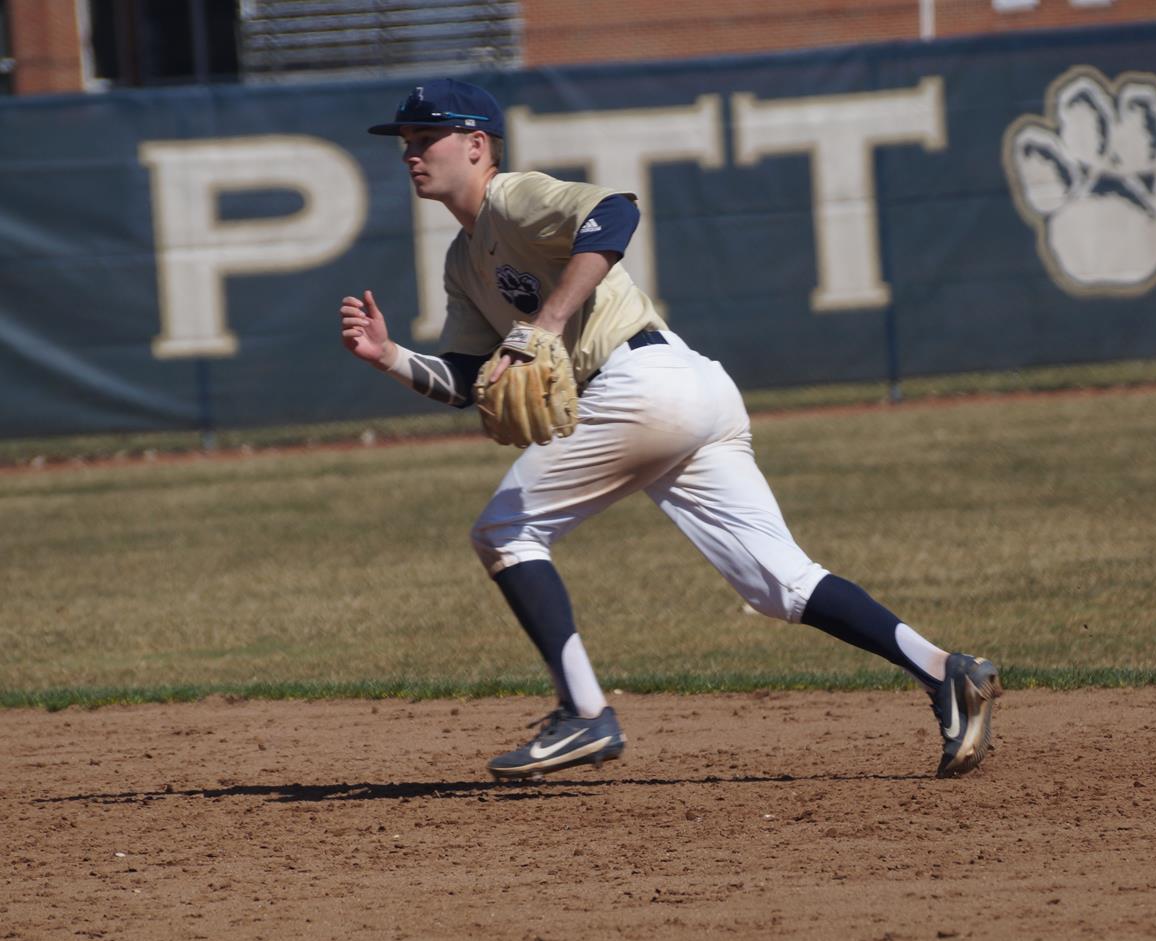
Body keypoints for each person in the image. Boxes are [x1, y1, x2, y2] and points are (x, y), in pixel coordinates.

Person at [339, 78, 1000, 780]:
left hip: (643, 385)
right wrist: (391, 358)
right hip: (686, 390)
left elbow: (614, 214)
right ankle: (943, 669)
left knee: (506, 532)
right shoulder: (463, 261)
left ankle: (586, 713)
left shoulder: (512, 197)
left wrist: (547, 323)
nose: (411, 153)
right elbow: (476, 377)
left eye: (426, 138)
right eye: (406, 143)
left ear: (477, 146)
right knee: (778, 583)